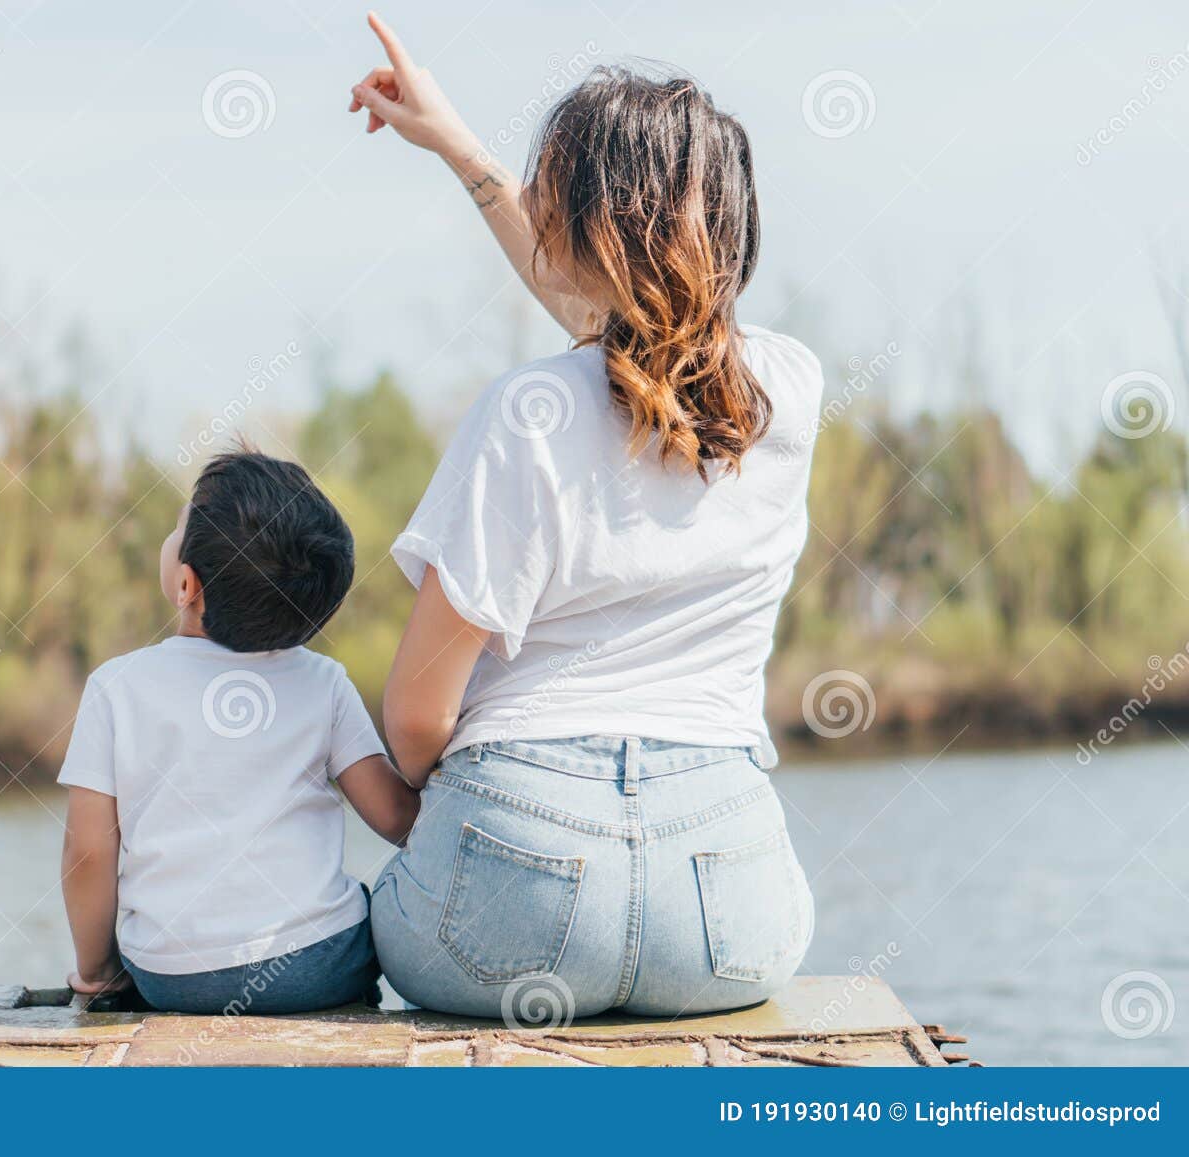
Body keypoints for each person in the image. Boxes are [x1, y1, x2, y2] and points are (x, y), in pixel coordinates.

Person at [350, 13, 822, 1019]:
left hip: (515, 887)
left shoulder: (522, 412)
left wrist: (461, 818)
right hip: (726, 907)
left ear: (588, 230)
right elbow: (623, 332)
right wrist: (457, 147)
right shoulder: (791, 389)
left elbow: (417, 715)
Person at [57, 446, 420, 1014]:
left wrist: (97, 971)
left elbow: (88, 853)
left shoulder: (117, 686)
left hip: (171, 975)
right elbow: (397, 819)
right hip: (317, 964)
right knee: (368, 909)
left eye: (178, 526)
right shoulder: (323, 682)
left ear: (185, 584)